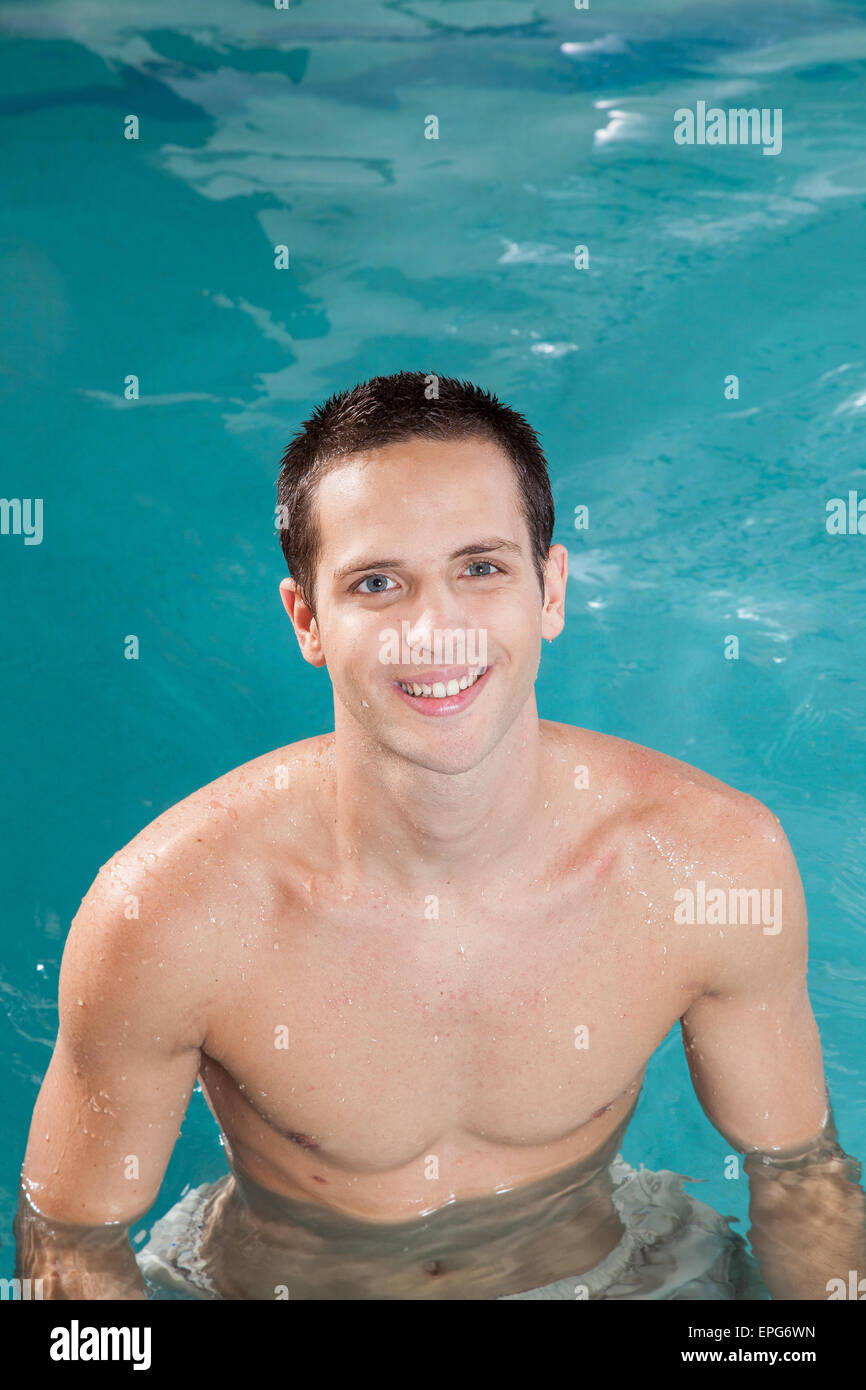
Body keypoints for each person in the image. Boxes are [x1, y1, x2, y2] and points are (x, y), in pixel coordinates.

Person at [15, 373, 864, 1299]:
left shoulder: (708, 864)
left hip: (620, 1279)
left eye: (482, 568)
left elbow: (796, 1174)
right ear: (308, 620)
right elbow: (73, 1241)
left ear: (551, 589)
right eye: (378, 584)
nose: (436, 631)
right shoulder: (171, 910)